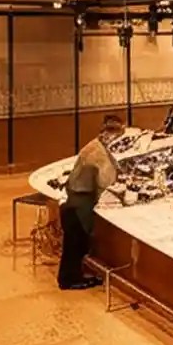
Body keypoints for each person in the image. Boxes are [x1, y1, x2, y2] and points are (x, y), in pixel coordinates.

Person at [58, 114, 125, 290]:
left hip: (71, 203)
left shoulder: (92, 145)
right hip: (80, 207)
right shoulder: (100, 153)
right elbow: (106, 183)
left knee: (71, 248)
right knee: (76, 247)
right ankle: (71, 280)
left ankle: (71, 277)